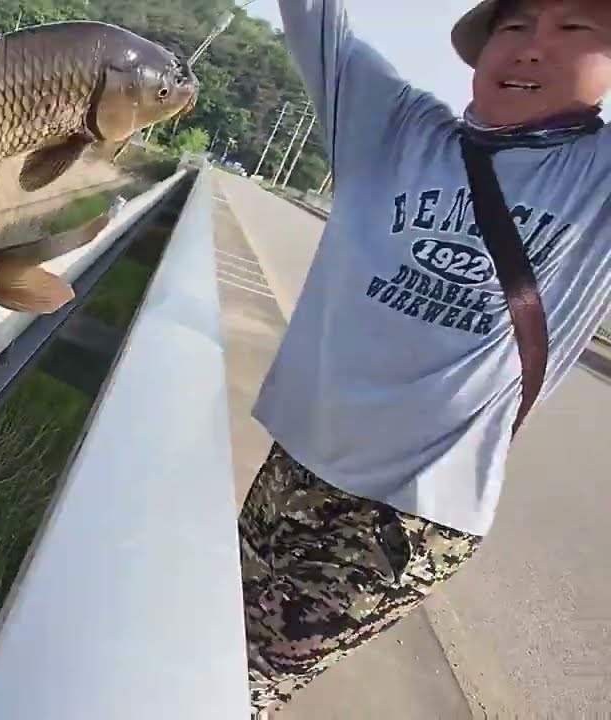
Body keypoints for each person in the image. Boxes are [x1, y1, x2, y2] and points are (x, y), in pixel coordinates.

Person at [240, 0, 611, 715]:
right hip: (294, 463)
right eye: (514, 24)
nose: (532, 48)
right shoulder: (393, 126)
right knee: (213, 640)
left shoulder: (597, 179)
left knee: (236, 679)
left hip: (405, 518)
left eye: (574, 29)